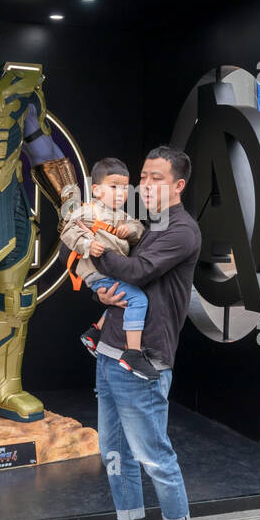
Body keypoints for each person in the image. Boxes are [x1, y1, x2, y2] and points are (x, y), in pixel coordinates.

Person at [78, 146, 203, 520]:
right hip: (110, 352)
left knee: (152, 453)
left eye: (157, 179)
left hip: (144, 358)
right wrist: (99, 289)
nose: (146, 186)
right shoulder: (149, 226)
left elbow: (137, 272)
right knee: (113, 449)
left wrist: (96, 249)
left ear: (179, 186)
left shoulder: (182, 231)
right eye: (143, 177)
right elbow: (115, 279)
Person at [61, 158, 158, 380]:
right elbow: (68, 232)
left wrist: (128, 230)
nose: (120, 193)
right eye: (114, 187)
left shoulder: (122, 215)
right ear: (96, 189)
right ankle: (132, 353)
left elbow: (139, 229)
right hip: (98, 272)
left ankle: (95, 332)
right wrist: (87, 244)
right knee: (138, 300)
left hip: (113, 272)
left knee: (122, 298)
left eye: (125, 188)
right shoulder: (88, 211)